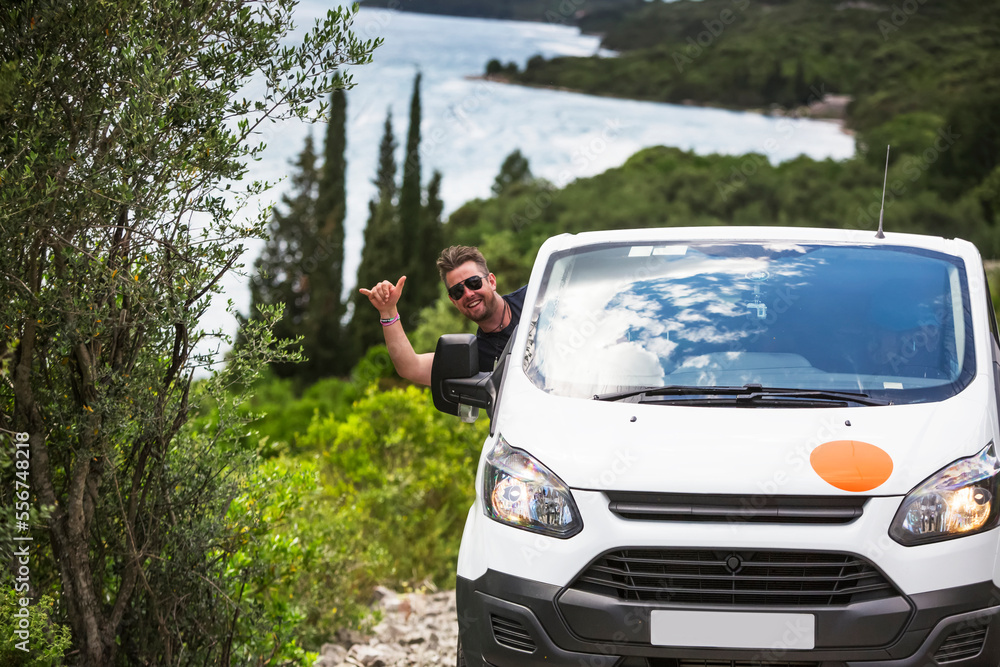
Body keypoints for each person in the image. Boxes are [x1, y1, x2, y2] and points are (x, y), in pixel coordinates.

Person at [359, 246, 526, 386]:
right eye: (457, 291)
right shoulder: (472, 355)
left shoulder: (534, 299)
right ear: (453, 300)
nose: (468, 294)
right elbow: (411, 367)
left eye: (474, 282)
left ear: (492, 281)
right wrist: (388, 311)